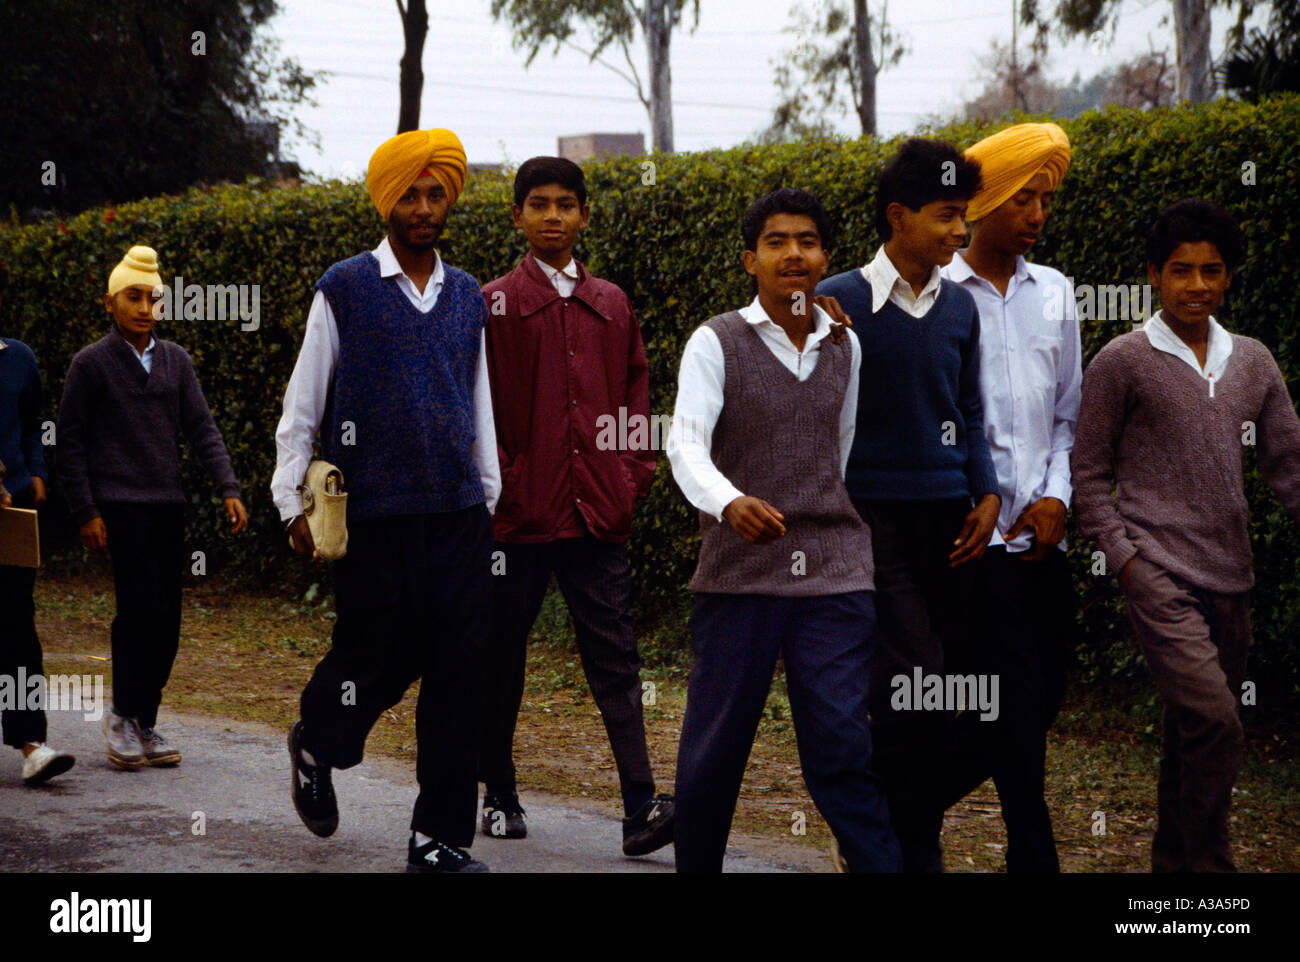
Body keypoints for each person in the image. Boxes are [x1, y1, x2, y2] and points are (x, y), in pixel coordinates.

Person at [272, 127, 500, 873]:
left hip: (459, 516)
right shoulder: (344, 288)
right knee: (376, 658)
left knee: (461, 674)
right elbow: (303, 407)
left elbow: (479, 400)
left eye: (436, 193)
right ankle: (318, 740)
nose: (425, 206)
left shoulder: (467, 294)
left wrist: (487, 493)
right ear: (386, 200)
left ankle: (439, 837)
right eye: (411, 193)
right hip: (375, 518)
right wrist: (289, 504)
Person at [667, 187, 900, 873]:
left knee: (841, 744)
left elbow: (842, 445)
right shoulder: (716, 341)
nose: (793, 253)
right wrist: (729, 501)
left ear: (826, 257)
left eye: (807, 241)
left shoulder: (845, 345)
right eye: (776, 242)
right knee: (715, 747)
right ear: (750, 259)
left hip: (834, 571)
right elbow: (685, 444)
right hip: (738, 573)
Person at [1072, 199, 1300, 873]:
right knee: (1218, 719)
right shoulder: (1124, 360)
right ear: (1153, 275)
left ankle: (1172, 873)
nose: (1195, 285)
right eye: (1180, 271)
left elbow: (1288, 467)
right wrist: (1124, 558)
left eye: (1211, 271)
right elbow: (1088, 471)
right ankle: (1212, 873)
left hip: (1232, 576)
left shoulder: (1254, 361)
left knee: (1188, 734)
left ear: (1228, 278)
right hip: (1158, 572)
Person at [478, 156, 674, 854]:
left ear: (585, 216)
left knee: (616, 658)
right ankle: (497, 794)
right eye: (539, 204)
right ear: (518, 216)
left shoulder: (613, 303)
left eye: (566, 204)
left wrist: (630, 476)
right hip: (518, 519)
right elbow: (480, 403)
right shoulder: (493, 302)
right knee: (500, 657)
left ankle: (640, 805)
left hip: (597, 512)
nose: (553, 216)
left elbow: (636, 395)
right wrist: (502, 476)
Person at [814, 138, 1000, 872]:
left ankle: (883, 830)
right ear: (899, 216)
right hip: (873, 524)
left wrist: (985, 492)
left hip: (953, 525)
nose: (961, 232)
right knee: (913, 688)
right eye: (949, 217)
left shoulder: (960, 307)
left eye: (966, 216)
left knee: (978, 705)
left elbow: (970, 409)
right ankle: (902, 850)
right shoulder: (841, 300)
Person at [938, 122, 1080, 871]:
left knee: (1033, 705)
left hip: (1041, 542)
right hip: (972, 547)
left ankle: (900, 810)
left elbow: (1067, 416)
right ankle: (1036, 857)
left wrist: (1058, 497)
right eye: (1024, 198)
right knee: (1008, 706)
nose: (1037, 215)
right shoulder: (938, 295)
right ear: (984, 199)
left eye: (1047, 201)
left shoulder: (1056, 293)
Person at [57, 245, 248, 770]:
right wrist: (85, 511)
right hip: (120, 508)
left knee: (167, 619)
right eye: (133, 297)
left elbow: (202, 429)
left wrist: (228, 487)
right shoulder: (90, 365)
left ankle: (146, 720)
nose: (144, 308)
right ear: (110, 302)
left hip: (167, 506)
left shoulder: (176, 361)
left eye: (153, 299)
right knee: (137, 614)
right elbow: (70, 444)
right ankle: (120, 716)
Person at [1, 254, 76, 783]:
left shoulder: (19, 358)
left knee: (18, 628)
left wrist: (37, 470)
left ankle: (32, 745)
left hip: (13, 514)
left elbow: (33, 424)